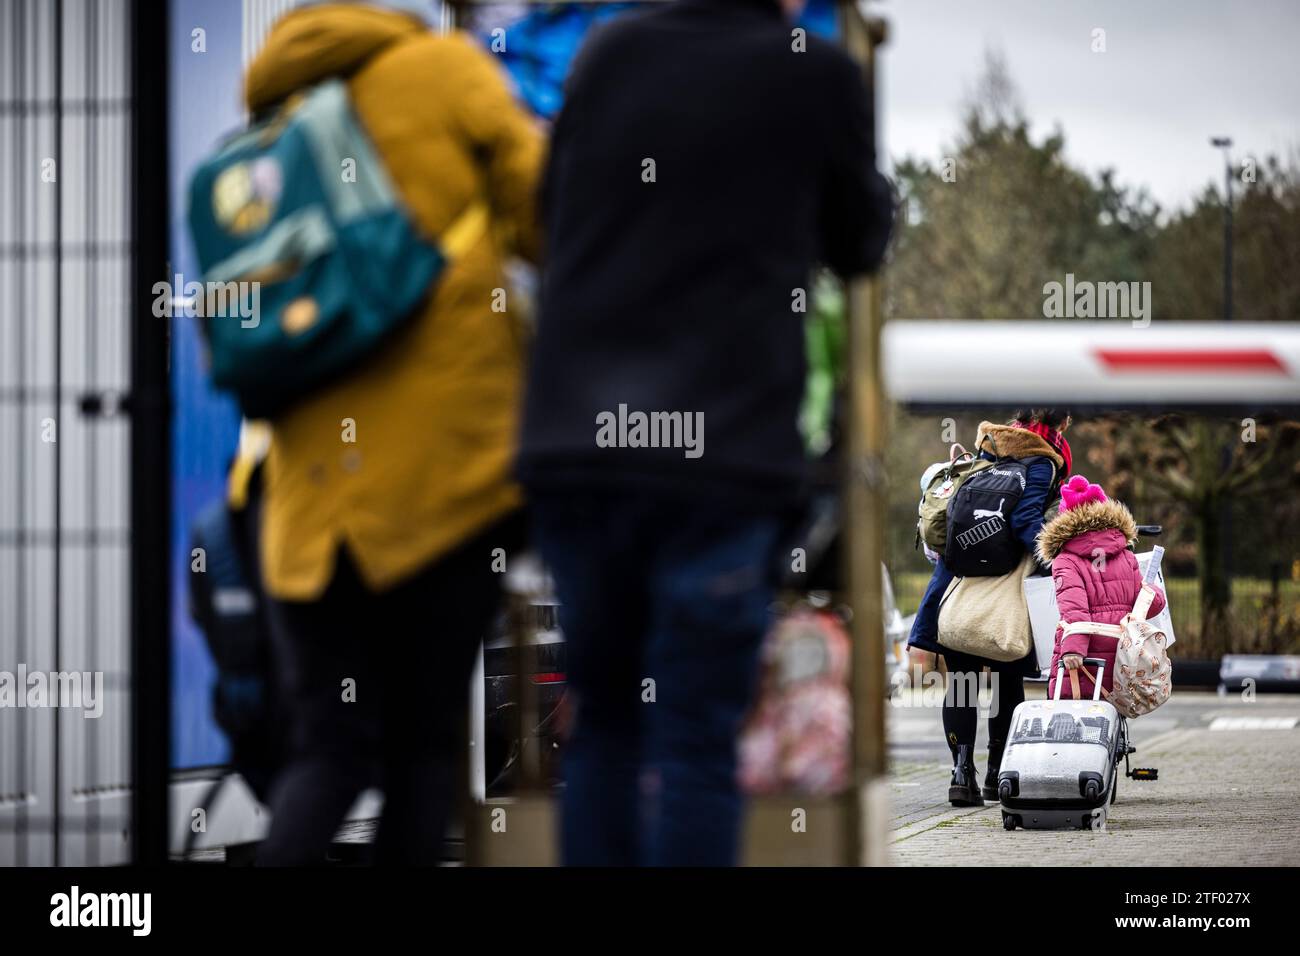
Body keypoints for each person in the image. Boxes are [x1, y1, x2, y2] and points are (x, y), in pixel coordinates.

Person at [517, 0, 894, 865]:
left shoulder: (606, 51)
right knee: (692, 737)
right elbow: (860, 240)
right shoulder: (813, 71)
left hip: (583, 447)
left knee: (605, 724)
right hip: (720, 461)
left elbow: (546, 210)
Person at [245, 0, 543, 865]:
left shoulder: (275, 115)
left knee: (328, 752)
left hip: (304, 510)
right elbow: (546, 212)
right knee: (421, 750)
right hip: (441, 498)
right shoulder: (445, 70)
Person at [906, 410, 1071, 806]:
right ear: (1061, 421)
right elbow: (1024, 520)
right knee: (1005, 680)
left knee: (962, 682)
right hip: (1003, 585)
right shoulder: (1044, 459)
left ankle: (961, 774)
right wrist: (1056, 557)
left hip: (959, 579)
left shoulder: (992, 445)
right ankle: (998, 773)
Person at [1034, 475, 1166, 698]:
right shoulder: (1126, 555)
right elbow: (1145, 607)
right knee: (1112, 711)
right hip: (1122, 656)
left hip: (1085, 659)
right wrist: (1154, 593)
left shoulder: (1065, 560)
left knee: (1073, 719)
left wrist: (1074, 649)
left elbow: (1074, 611)